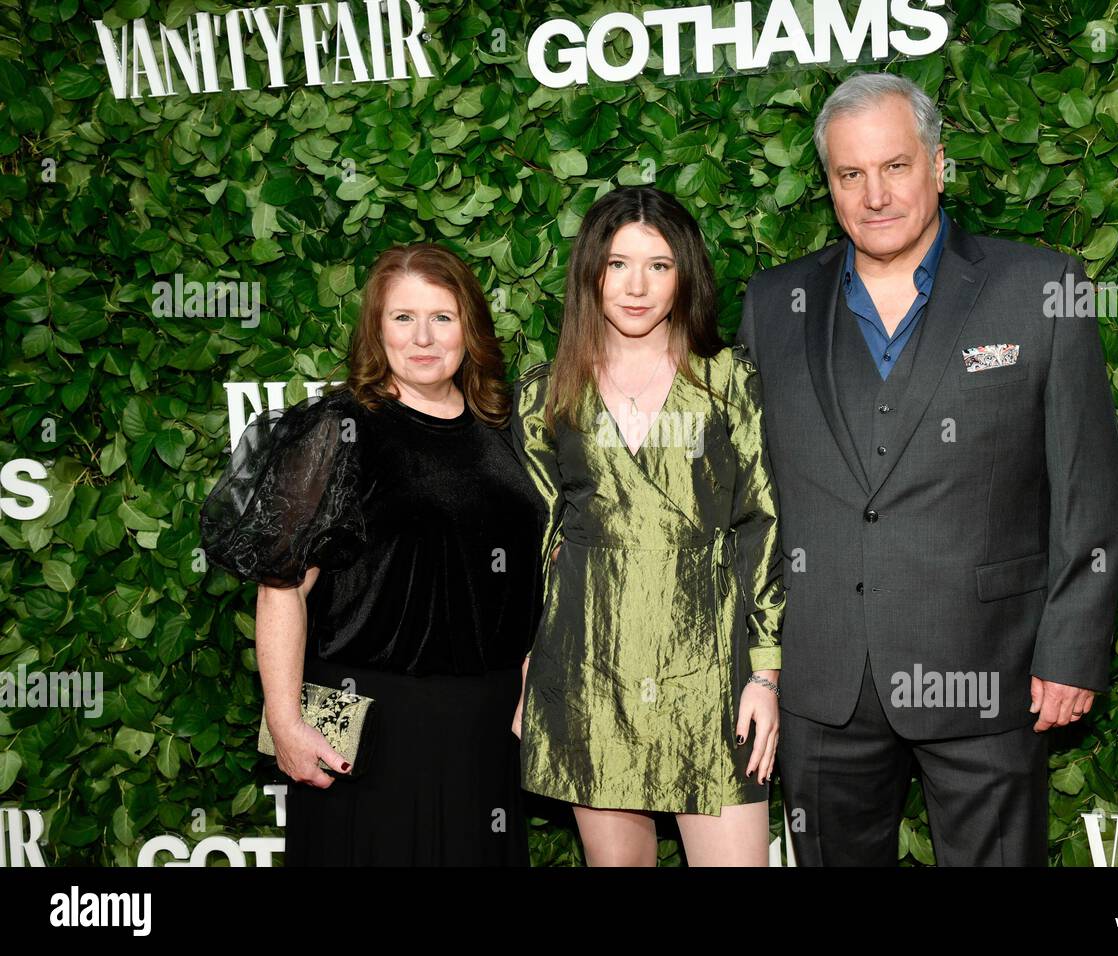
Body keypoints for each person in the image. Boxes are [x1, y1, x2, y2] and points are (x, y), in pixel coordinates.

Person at [738, 72, 1118, 865]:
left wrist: (1072, 651)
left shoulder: (1042, 289)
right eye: (851, 174)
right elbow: (754, 497)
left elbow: (1088, 487)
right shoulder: (774, 304)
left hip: (993, 670)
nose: (875, 194)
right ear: (830, 184)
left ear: (939, 165)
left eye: (896, 166)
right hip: (825, 683)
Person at [199, 243, 544, 865]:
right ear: (376, 330)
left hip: (484, 727)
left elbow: (524, 581)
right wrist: (284, 720)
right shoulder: (339, 428)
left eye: (442, 317)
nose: (423, 338)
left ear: (470, 327)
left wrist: (526, 686)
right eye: (402, 318)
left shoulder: (503, 431)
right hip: (367, 722)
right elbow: (283, 587)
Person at [510, 185, 785, 866]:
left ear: (685, 275)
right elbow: (539, 543)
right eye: (617, 264)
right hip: (587, 664)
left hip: (712, 669)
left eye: (659, 266)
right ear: (590, 275)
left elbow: (762, 525)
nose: (636, 286)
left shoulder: (727, 379)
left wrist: (766, 674)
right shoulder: (546, 394)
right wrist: (525, 673)